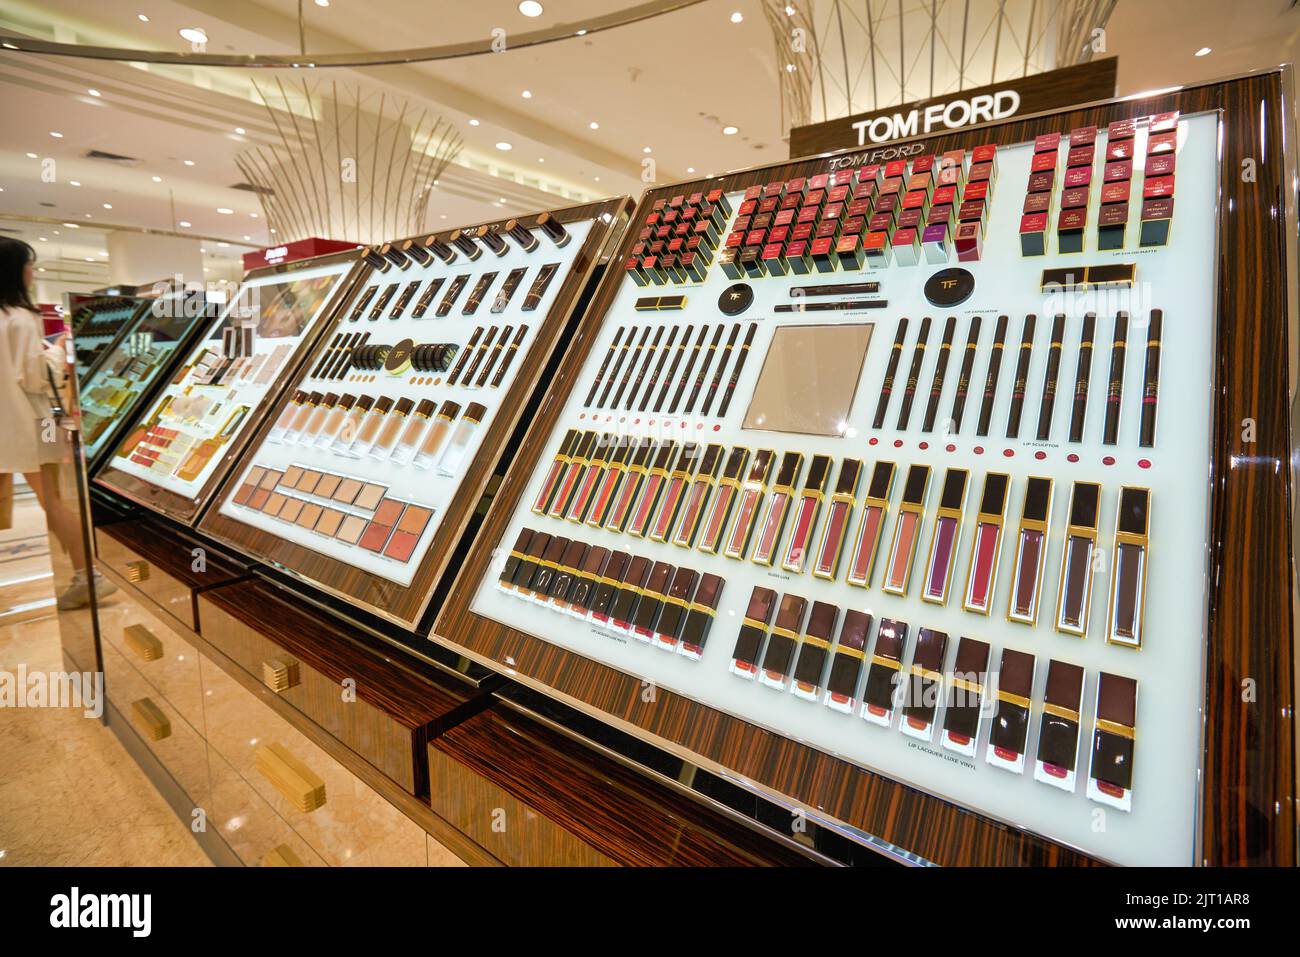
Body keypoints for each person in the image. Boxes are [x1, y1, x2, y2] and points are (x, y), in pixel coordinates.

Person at [0, 237, 115, 609]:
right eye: (28, 264)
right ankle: (88, 574)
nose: (33, 272)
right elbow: (34, 380)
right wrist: (55, 354)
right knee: (54, 499)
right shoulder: (22, 319)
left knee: (50, 499)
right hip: (38, 422)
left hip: (14, 426)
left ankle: (84, 574)